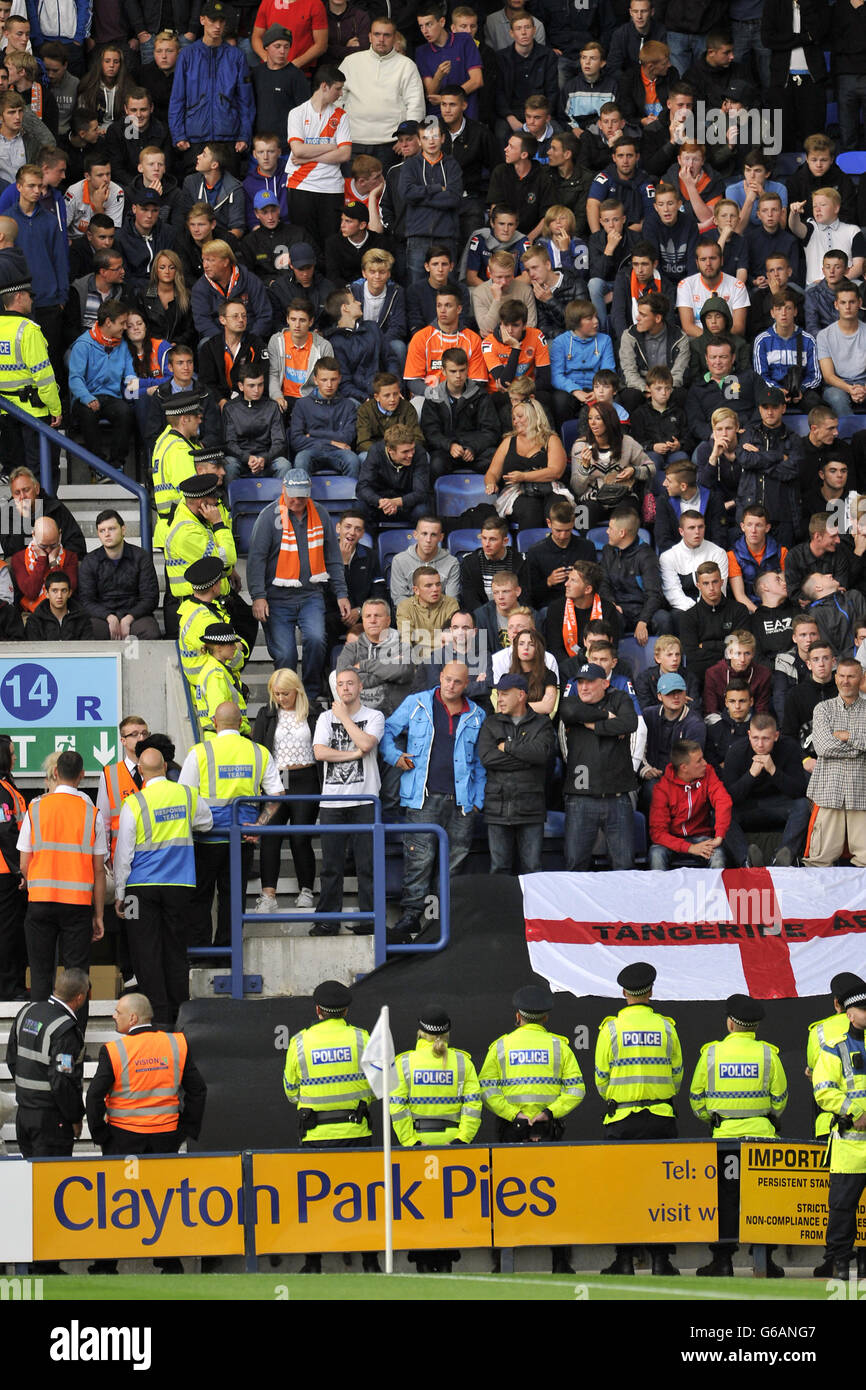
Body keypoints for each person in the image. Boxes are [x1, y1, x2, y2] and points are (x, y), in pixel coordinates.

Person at [479, 985, 584, 1275]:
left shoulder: (501, 1046)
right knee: (555, 1195)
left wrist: (514, 1115)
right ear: (545, 1018)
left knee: (505, 1195)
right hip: (549, 1130)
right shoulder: (559, 1046)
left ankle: (502, 1264)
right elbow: (577, 1089)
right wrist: (549, 1112)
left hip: (511, 1130)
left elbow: (486, 1088)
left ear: (518, 1016)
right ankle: (561, 1263)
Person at [382, 662, 485, 943]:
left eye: (457, 682)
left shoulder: (477, 714)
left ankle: (444, 921)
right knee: (418, 858)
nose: (451, 686)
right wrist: (394, 757)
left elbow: (481, 762)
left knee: (453, 864)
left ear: (466, 684)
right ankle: (411, 916)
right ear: (440, 677)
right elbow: (386, 731)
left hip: (462, 802)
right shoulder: (417, 703)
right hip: (423, 796)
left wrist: (477, 799)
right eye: (447, 679)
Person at [112, 744, 213, 1028]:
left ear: (140, 771)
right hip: (179, 885)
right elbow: (206, 823)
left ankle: (157, 1018)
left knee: (145, 952)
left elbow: (124, 854)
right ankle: (181, 1015)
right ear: (166, 767)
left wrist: (120, 893)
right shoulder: (186, 794)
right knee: (176, 950)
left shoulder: (134, 803)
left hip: (140, 890)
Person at [282, 980, 379, 1273]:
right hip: (356, 1133)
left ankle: (313, 1263)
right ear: (346, 1011)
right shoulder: (362, 1038)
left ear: (318, 1010)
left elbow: (291, 1092)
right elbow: (378, 1086)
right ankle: (370, 1262)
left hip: (316, 1136)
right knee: (363, 1198)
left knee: (314, 1200)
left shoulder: (299, 1042)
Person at [690, 994, 788, 1278]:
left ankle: (723, 1261)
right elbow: (780, 1100)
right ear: (755, 1026)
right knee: (763, 1200)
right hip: (762, 1140)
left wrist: (714, 1119)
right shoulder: (768, 1054)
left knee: (725, 1200)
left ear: (730, 1024)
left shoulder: (711, 1054)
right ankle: (765, 1261)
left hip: (725, 1140)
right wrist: (762, 1117)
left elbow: (696, 1099)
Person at [595, 961, 681, 1276]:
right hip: (660, 1117)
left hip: (622, 1120)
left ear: (624, 993)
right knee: (662, 1190)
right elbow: (676, 1075)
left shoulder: (611, 1029)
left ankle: (624, 1260)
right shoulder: (666, 1027)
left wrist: (621, 1096)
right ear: (651, 991)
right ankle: (661, 1260)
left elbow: (601, 1078)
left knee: (622, 1191)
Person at [179, 702, 283, 951]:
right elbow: (277, 794)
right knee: (233, 897)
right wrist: (258, 825)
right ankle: (228, 951)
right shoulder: (259, 752)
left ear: (215, 723)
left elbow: (185, 796)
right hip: (243, 836)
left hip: (206, 836)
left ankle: (201, 951)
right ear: (241, 723)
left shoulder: (200, 752)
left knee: (201, 896)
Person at [17, 751, 107, 1031]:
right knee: (77, 976)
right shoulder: (92, 814)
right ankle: (74, 1038)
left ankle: (38, 1039)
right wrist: (99, 915)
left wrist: (36, 883)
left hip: (41, 903)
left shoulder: (35, 809)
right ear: (82, 775)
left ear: (55, 773)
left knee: (41, 975)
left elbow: (24, 863)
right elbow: (99, 870)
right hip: (77, 905)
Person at [247, 469, 350, 702]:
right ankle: (286, 698)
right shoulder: (268, 517)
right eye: (293, 496)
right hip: (276, 598)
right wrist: (258, 596)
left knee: (316, 639)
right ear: (283, 489)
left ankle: (310, 696)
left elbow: (333, 557)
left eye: (302, 496)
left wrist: (341, 593)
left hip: (310, 595)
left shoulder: (320, 514)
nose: (297, 501)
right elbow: (256, 560)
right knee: (286, 654)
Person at [252, 668, 319, 917]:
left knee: (300, 837)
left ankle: (306, 890)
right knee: (270, 836)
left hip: (306, 778)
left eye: (285, 693)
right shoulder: (267, 713)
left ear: (297, 690)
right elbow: (259, 748)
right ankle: (268, 895)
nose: (281, 698)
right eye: (276, 693)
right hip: (276, 781)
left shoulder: (314, 712)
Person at [6, 967, 88, 1170]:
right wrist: (75, 1117)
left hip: (24, 1115)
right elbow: (62, 1081)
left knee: (33, 1180)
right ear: (80, 997)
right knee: (52, 1180)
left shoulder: (27, 1011)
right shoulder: (65, 1029)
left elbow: (12, 1059)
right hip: (50, 1121)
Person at [560, 659, 638, 871]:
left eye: (590, 682)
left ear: (604, 683)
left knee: (624, 866)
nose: (583, 687)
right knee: (575, 865)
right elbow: (569, 713)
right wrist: (606, 717)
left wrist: (594, 726)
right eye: (580, 682)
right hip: (580, 796)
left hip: (617, 796)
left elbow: (630, 723)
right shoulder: (571, 702)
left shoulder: (620, 698)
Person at [812, 974, 866, 1279]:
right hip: (850, 1142)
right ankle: (841, 1264)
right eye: (863, 1009)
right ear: (849, 1014)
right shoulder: (835, 1047)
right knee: (842, 1209)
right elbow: (824, 1090)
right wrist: (855, 1112)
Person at [477, 673, 556, 872]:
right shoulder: (490, 723)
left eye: (504, 694)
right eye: (498, 694)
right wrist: (526, 759)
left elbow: (541, 755)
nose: (499, 699)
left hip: (531, 807)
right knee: (499, 868)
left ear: (521, 695)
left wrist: (507, 746)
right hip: (497, 808)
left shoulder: (542, 723)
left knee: (532, 869)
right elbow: (488, 758)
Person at [0, 254, 62, 479]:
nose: (33, 301)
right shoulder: (28, 330)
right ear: (19, 296)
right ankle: (43, 504)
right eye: (30, 296)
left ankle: (22, 505)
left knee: (17, 474)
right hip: (33, 414)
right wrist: (56, 409)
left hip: (6, 413)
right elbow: (44, 377)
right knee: (42, 473)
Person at [168, 1, 254, 160]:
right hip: (194, 137)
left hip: (229, 137)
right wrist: (178, 134)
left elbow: (246, 100)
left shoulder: (237, 56)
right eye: (213, 20)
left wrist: (244, 135)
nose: (217, 26)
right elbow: (177, 98)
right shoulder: (187, 55)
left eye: (221, 21)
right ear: (202, 20)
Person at [804, 657, 866, 867]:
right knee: (819, 861)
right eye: (842, 676)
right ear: (835, 677)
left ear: (861, 679)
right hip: (829, 791)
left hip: (862, 792)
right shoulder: (823, 709)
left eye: (851, 676)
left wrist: (847, 736)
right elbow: (823, 748)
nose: (845, 681)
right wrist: (860, 747)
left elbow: (832, 747)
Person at [78, 508, 160, 640]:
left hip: (136, 616)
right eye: (102, 530)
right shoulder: (90, 561)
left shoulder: (140, 557)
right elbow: (86, 600)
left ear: (123, 530)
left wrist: (129, 618)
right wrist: (109, 617)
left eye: (111, 529)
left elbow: (150, 597)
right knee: (87, 632)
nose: (107, 534)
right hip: (102, 617)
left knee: (150, 632)